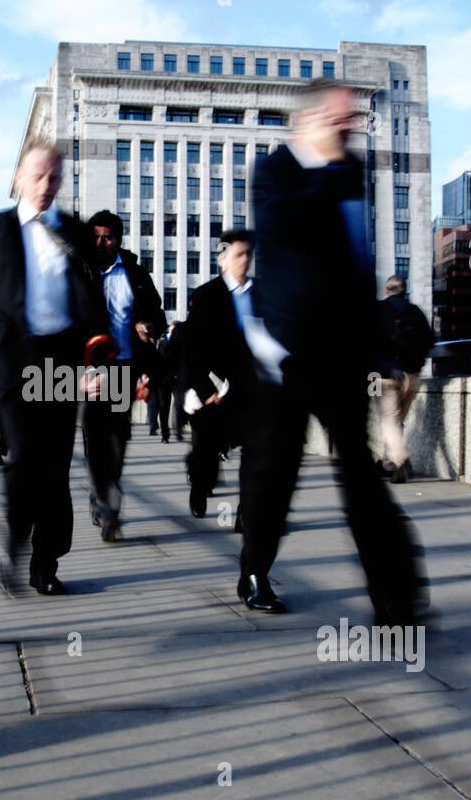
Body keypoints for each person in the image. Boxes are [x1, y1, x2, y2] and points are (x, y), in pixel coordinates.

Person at [241, 78, 428, 621]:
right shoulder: (277, 171)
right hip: (284, 355)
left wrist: (379, 344)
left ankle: (398, 606)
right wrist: (329, 171)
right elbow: (285, 230)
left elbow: (355, 264)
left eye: (355, 120)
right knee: (275, 475)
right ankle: (255, 570)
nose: (350, 129)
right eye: (340, 119)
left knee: (362, 480)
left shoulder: (350, 172)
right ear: (309, 119)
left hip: (344, 357)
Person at [0, 140, 107, 595]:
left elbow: (91, 305)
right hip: (8, 358)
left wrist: (95, 364)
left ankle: (47, 560)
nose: (45, 185)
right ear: (18, 177)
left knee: (55, 463)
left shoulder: (75, 233)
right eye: (37, 176)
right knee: (24, 452)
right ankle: (16, 539)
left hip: (60, 359)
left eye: (54, 177)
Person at [82, 210, 165, 541]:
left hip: (123, 367)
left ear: (118, 239)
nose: (102, 243)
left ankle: (109, 503)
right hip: (88, 368)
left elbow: (156, 311)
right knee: (93, 437)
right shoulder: (80, 271)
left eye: (108, 237)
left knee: (116, 439)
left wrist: (149, 326)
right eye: (96, 237)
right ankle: (101, 497)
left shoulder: (135, 273)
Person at [182, 230, 258, 520]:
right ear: (222, 258)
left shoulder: (259, 293)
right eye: (239, 254)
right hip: (214, 389)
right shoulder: (206, 296)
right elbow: (194, 348)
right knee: (205, 451)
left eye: (249, 253)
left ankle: (245, 514)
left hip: (250, 389)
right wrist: (202, 388)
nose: (245, 260)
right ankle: (199, 488)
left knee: (253, 452)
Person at [376, 274, 434, 484]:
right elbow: (430, 340)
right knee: (397, 421)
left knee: (388, 420)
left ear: (387, 290)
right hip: (412, 375)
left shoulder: (378, 310)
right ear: (405, 290)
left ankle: (399, 459)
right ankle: (388, 464)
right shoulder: (415, 312)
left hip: (381, 376)